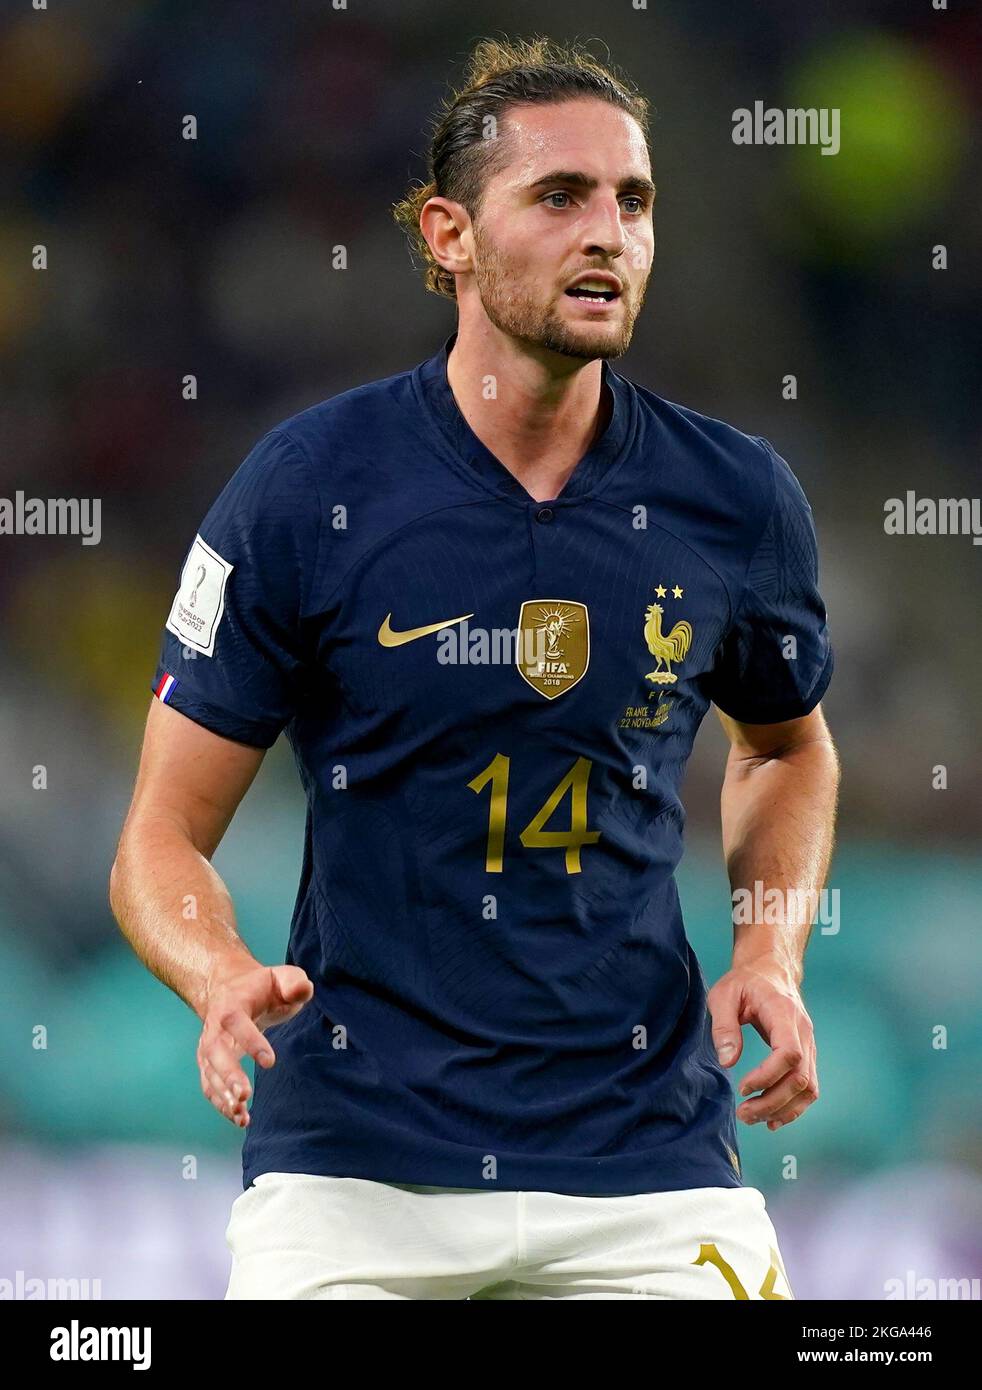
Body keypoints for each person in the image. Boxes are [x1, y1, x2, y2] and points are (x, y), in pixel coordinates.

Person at [110, 36, 839, 1300]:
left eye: (633, 200)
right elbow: (156, 842)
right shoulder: (307, 490)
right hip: (352, 1178)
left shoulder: (734, 499)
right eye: (559, 197)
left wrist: (769, 949)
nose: (606, 231)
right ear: (447, 234)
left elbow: (784, 745)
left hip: (646, 1170)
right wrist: (220, 973)